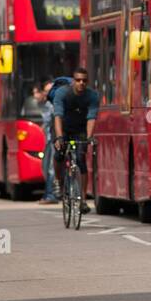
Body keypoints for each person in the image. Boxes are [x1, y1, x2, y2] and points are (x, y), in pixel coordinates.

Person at [45, 68, 100, 207]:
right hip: (62, 127)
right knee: (59, 154)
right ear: (73, 81)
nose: (81, 83)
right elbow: (58, 116)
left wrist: (89, 137)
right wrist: (59, 138)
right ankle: (58, 181)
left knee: (81, 160)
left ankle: (82, 200)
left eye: (84, 81)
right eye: (78, 80)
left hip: (80, 128)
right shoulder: (62, 93)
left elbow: (91, 118)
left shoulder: (92, 96)